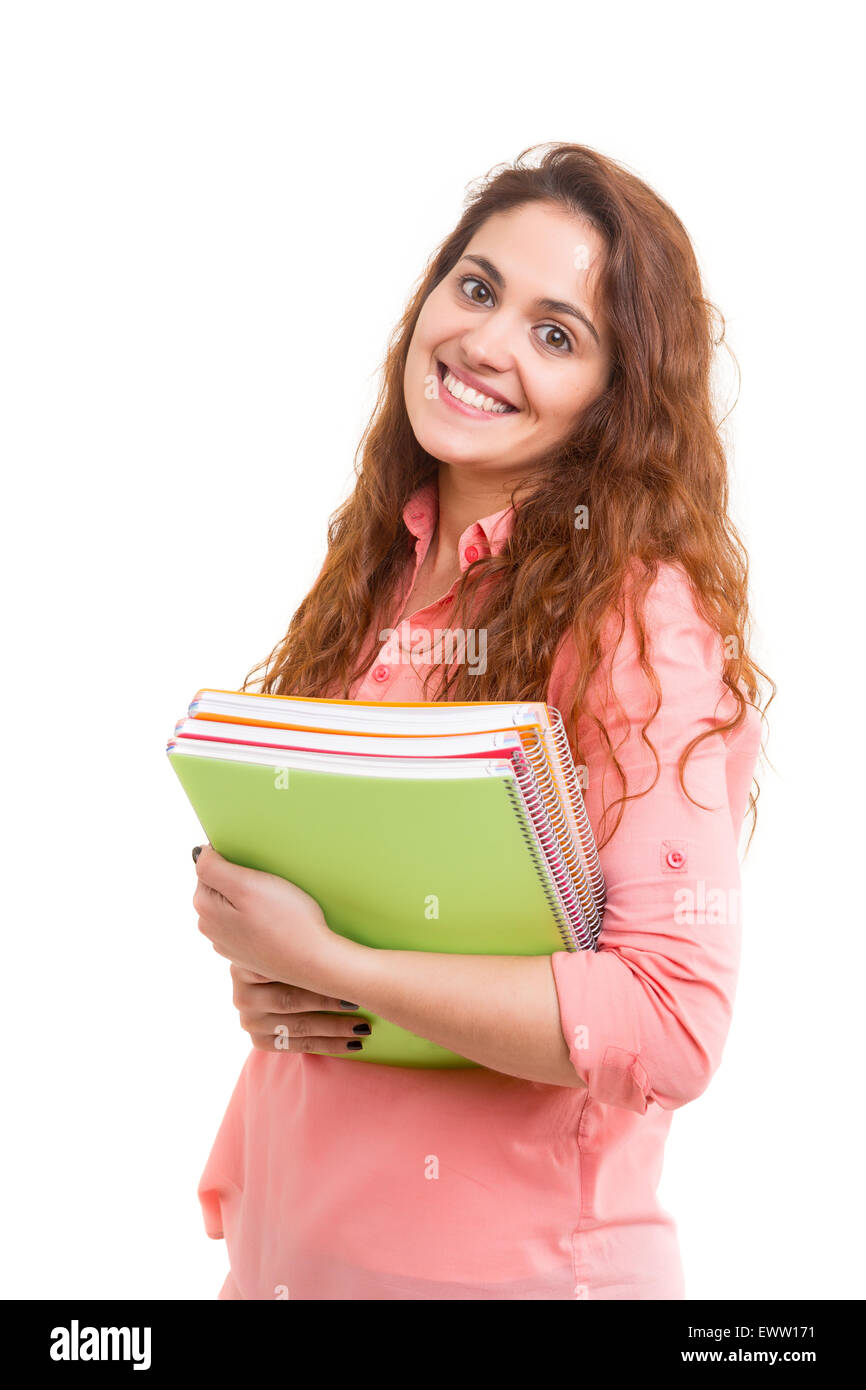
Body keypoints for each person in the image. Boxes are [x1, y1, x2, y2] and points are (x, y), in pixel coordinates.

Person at [191, 141, 771, 1300]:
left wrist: (336, 960)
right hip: (296, 1254)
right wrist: (284, 981)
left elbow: (668, 1022)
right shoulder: (378, 577)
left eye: (557, 334)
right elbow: (386, 922)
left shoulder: (639, 618)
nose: (487, 343)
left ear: (615, 402)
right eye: (476, 286)